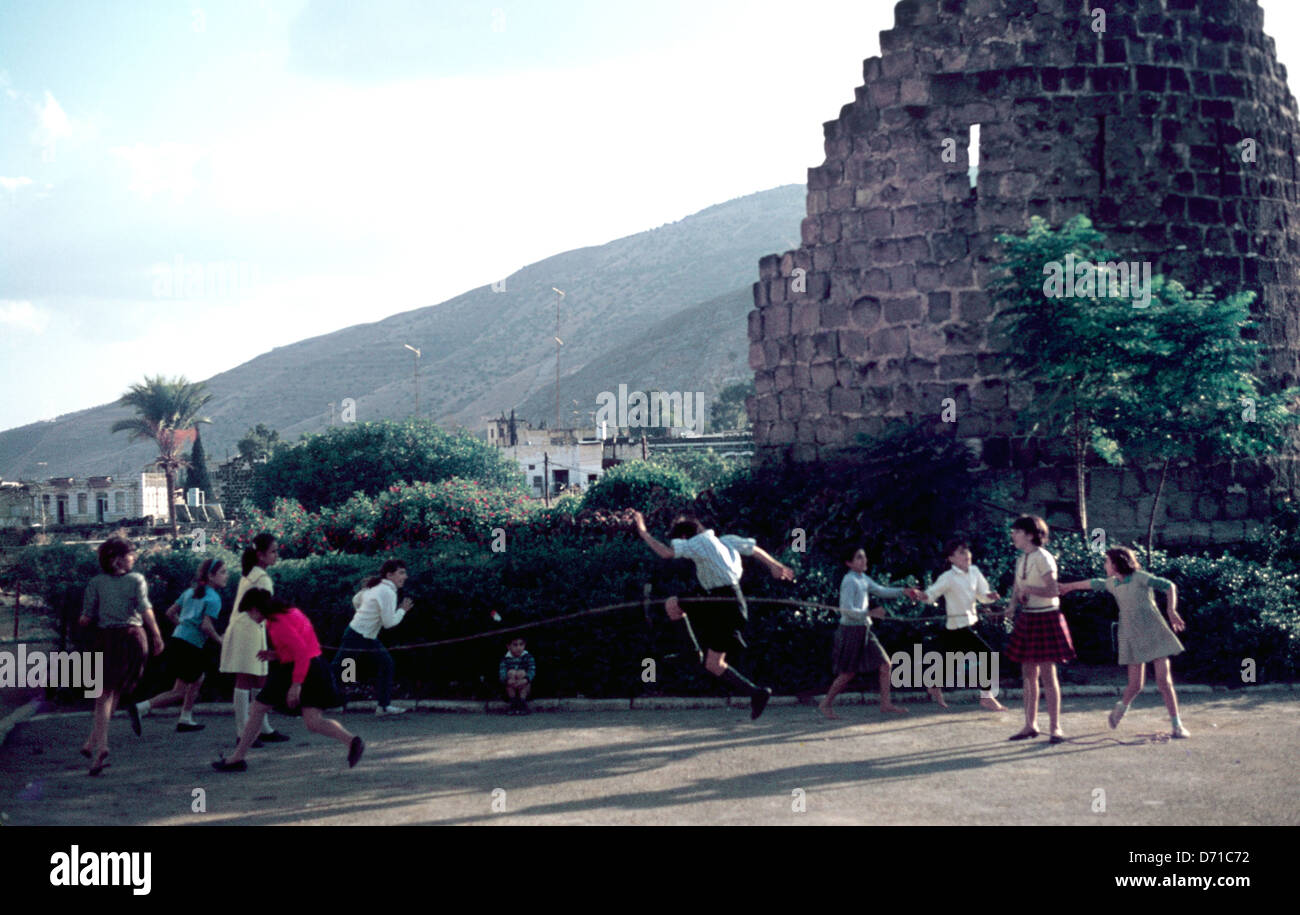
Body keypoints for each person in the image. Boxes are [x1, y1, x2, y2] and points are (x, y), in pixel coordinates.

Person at [631, 509, 794, 720]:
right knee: (713, 665)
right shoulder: (725, 540)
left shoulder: (698, 542)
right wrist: (775, 566)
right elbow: (754, 549)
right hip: (733, 604)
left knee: (672, 604)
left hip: (721, 602)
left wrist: (643, 531)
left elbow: (666, 553)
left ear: (683, 537)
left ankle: (690, 652)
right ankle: (757, 693)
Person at [213, 591, 363, 772]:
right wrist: (276, 654)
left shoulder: (277, 623)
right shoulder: (288, 612)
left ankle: (237, 758)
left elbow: (301, 652)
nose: (251, 618)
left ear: (255, 609)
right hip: (314, 667)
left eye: (249, 613)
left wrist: (296, 684)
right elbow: (302, 646)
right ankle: (352, 741)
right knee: (313, 722)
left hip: (300, 668)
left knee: (257, 708)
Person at [1058, 547, 1189, 738]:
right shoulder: (1112, 583)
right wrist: (1069, 587)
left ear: (1117, 563)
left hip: (1154, 632)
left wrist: (1171, 610)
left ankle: (1177, 725)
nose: (1105, 565)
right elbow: (1094, 583)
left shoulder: (1140, 577)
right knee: (1135, 685)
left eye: (1106, 562)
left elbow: (1169, 586)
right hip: (1131, 635)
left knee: (1164, 681)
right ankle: (1122, 707)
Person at [78, 536, 164, 775]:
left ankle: (102, 745)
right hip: (134, 639)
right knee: (113, 693)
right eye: (130, 553)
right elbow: (145, 608)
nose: (133, 557)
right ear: (116, 560)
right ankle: (92, 744)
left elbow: (85, 617)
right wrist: (157, 635)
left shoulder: (96, 583)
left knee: (103, 695)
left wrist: (86, 620)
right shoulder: (136, 580)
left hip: (108, 639)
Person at [819, 547, 923, 719]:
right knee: (848, 673)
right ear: (849, 563)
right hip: (851, 630)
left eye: (864, 557)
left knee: (885, 665)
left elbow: (881, 590)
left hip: (864, 629)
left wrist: (904, 591)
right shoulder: (849, 581)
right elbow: (846, 611)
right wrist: (870, 614)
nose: (863, 561)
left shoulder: (862, 578)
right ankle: (826, 703)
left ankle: (886, 704)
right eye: (859, 558)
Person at [907, 537, 1008, 711]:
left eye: (967, 551)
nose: (966, 554)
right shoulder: (948, 577)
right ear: (951, 558)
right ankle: (986, 697)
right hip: (958, 626)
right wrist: (922, 596)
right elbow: (932, 594)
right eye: (961, 552)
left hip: (966, 625)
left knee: (951, 662)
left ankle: (934, 686)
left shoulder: (975, 571)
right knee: (987, 656)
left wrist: (990, 597)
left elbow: (982, 594)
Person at [134, 557, 228, 731]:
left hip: (178, 641)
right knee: (179, 690)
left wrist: (184, 627)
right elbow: (206, 626)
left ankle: (185, 718)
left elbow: (170, 613)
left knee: (197, 679)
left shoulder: (189, 592)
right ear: (211, 576)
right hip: (190, 646)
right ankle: (141, 708)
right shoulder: (214, 598)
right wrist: (220, 640)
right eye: (222, 572)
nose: (226, 576)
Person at [1005, 515, 1074, 744]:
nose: (1012, 535)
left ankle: (1056, 728)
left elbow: (1054, 590)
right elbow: (1018, 586)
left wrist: (1029, 591)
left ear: (1030, 534)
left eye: (1016, 531)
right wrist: (1012, 605)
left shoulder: (1044, 558)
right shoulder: (1021, 559)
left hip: (1047, 617)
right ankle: (1030, 725)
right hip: (1029, 618)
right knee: (1028, 675)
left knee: (1047, 674)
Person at [219, 533, 290, 746]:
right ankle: (243, 732)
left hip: (252, 629)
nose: (276, 555)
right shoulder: (261, 578)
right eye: (273, 552)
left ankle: (262, 727)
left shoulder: (252, 574)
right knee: (245, 679)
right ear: (260, 555)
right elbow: (265, 610)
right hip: (246, 630)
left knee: (260, 678)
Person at [332, 559, 413, 715]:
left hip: (364, 635)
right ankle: (310, 701)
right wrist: (402, 610)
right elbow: (389, 623)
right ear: (390, 575)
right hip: (356, 635)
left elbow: (356, 600)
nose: (406, 576)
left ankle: (383, 706)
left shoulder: (379, 586)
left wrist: (364, 614)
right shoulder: (387, 591)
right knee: (339, 668)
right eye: (401, 573)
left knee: (386, 664)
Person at [499, 637, 536, 715]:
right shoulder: (505, 659)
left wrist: (525, 680)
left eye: (521, 644)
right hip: (511, 686)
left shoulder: (528, 657)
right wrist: (507, 680)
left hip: (524, 686)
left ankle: (522, 702)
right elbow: (502, 673)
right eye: (515, 645)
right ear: (509, 647)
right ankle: (513, 703)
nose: (518, 647)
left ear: (524, 645)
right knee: (511, 672)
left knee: (521, 673)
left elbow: (532, 671)